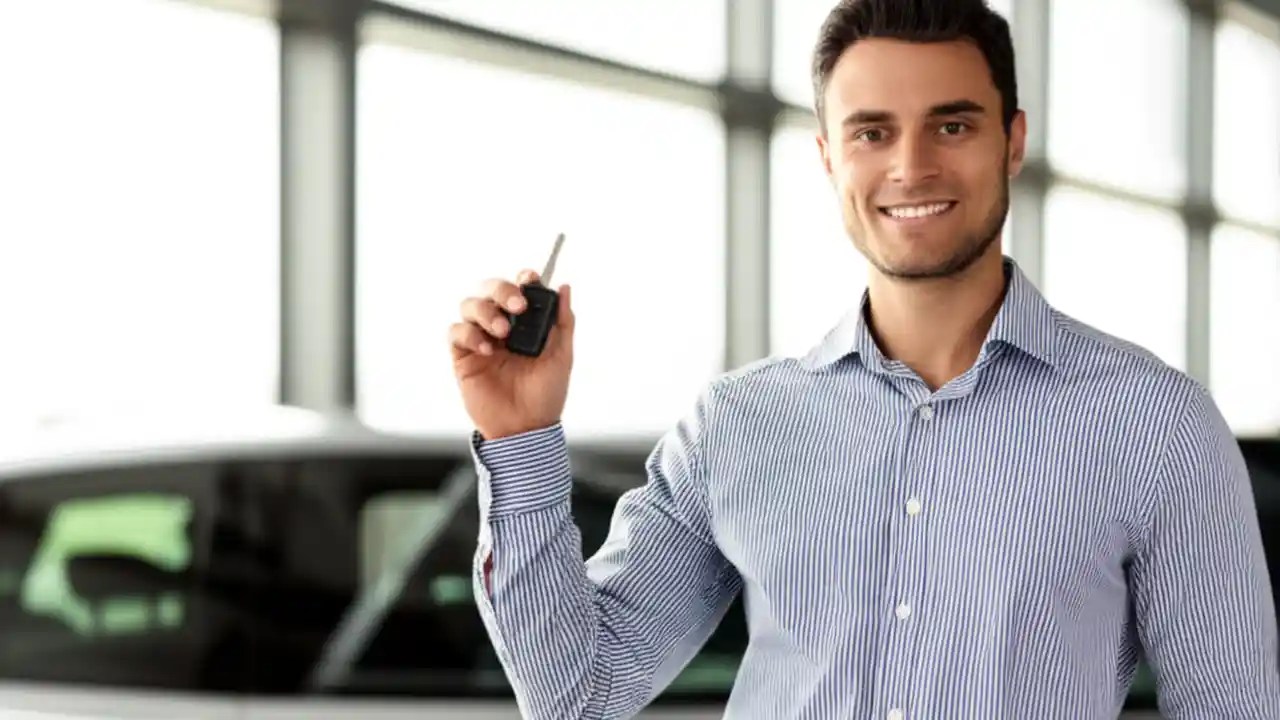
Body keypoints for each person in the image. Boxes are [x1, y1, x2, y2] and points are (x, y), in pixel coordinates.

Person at [448, 0, 1280, 717]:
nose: (911, 166)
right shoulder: (736, 426)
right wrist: (520, 437)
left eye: (951, 125)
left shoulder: (1155, 424)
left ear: (1012, 141)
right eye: (872, 132)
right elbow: (580, 694)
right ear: (828, 157)